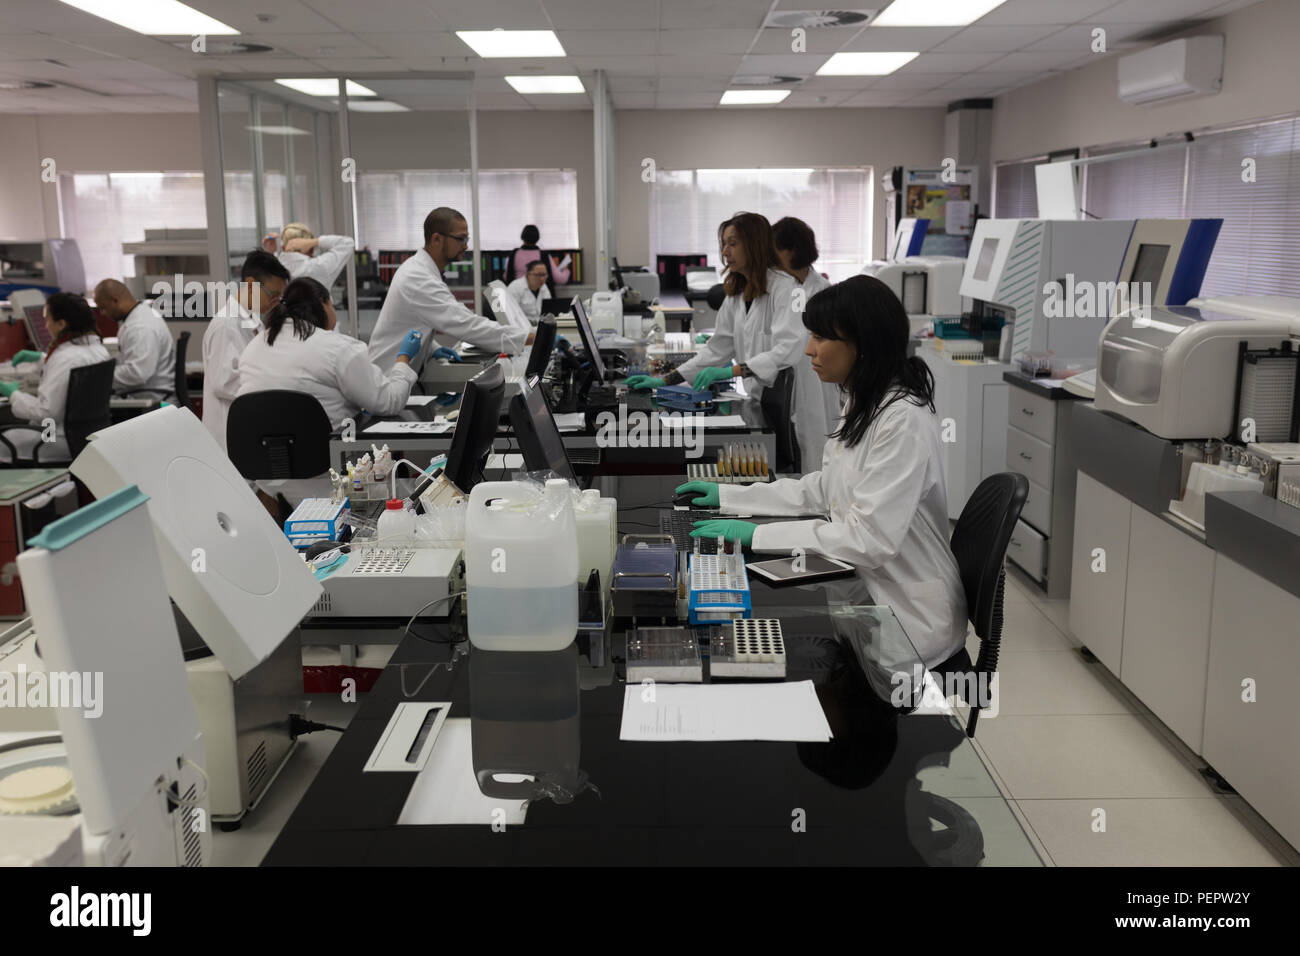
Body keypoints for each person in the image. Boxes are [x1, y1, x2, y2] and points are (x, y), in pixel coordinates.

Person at [676, 274, 968, 668]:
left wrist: (757, 534)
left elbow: (869, 540)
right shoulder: (863, 397)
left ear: (863, 345)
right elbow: (823, 489)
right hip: (862, 597)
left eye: (821, 337)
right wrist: (730, 496)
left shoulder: (903, 420)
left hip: (907, 619)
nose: (809, 349)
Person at [626, 211, 824, 467]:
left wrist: (733, 371)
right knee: (771, 471)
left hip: (795, 401)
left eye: (733, 243)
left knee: (802, 470)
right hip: (762, 402)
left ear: (754, 244)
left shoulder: (788, 289)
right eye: (723, 244)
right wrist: (663, 380)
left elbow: (790, 349)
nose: (725, 252)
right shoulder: (738, 293)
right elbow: (716, 349)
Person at [237, 276, 419, 429]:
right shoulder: (337, 348)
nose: (335, 312)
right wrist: (404, 358)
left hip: (261, 468)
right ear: (323, 304)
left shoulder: (252, 348)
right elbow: (389, 402)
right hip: (329, 464)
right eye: (333, 306)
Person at [368, 207, 533, 372]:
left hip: (401, 376)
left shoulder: (422, 270)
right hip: (386, 377)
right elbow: (467, 324)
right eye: (460, 239)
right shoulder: (418, 278)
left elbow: (414, 323)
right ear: (437, 239)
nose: (466, 246)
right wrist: (528, 338)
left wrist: (432, 348)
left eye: (466, 239)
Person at [0, 293, 111, 461]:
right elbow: (73, 368)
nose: (46, 326)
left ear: (61, 324)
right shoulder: (98, 349)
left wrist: (14, 395)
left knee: (4, 441)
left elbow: (46, 412)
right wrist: (42, 359)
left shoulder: (64, 358)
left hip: (54, 437)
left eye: (48, 320)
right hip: (85, 437)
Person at [773, 216, 842, 469]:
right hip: (787, 382)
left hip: (816, 383)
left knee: (817, 444)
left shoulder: (823, 292)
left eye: (775, 250)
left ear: (792, 250)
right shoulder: (780, 289)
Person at [202, 250, 289, 451]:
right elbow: (224, 383)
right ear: (250, 285)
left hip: (247, 426)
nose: (276, 302)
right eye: (273, 295)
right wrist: (271, 383)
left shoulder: (252, 319)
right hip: (228, 435)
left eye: (279, 297)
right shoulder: (225, 325)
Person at [92, 278, 176, 400]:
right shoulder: (138, 316)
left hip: (152, 399)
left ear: (115, 300)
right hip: (146, 394)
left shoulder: (140, 327)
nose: (102, 313)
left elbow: (138, 373)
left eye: (103, 308)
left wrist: (99, 376)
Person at [269, 223, 355, 287]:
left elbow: (257, 305)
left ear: (283, 248)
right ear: (311, 249)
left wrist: (268, 254)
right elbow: (347, 243)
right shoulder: (319, 266)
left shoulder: (270, 271)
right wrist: (314, 242)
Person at [505, 259, 551, 324]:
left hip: (540, 326)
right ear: (528, 274)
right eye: (538, 275)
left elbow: (548, 311)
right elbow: (511, 314)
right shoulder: (515, 287)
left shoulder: (544, 287)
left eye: (544, 275)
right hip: (521, 327)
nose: (542, 278)